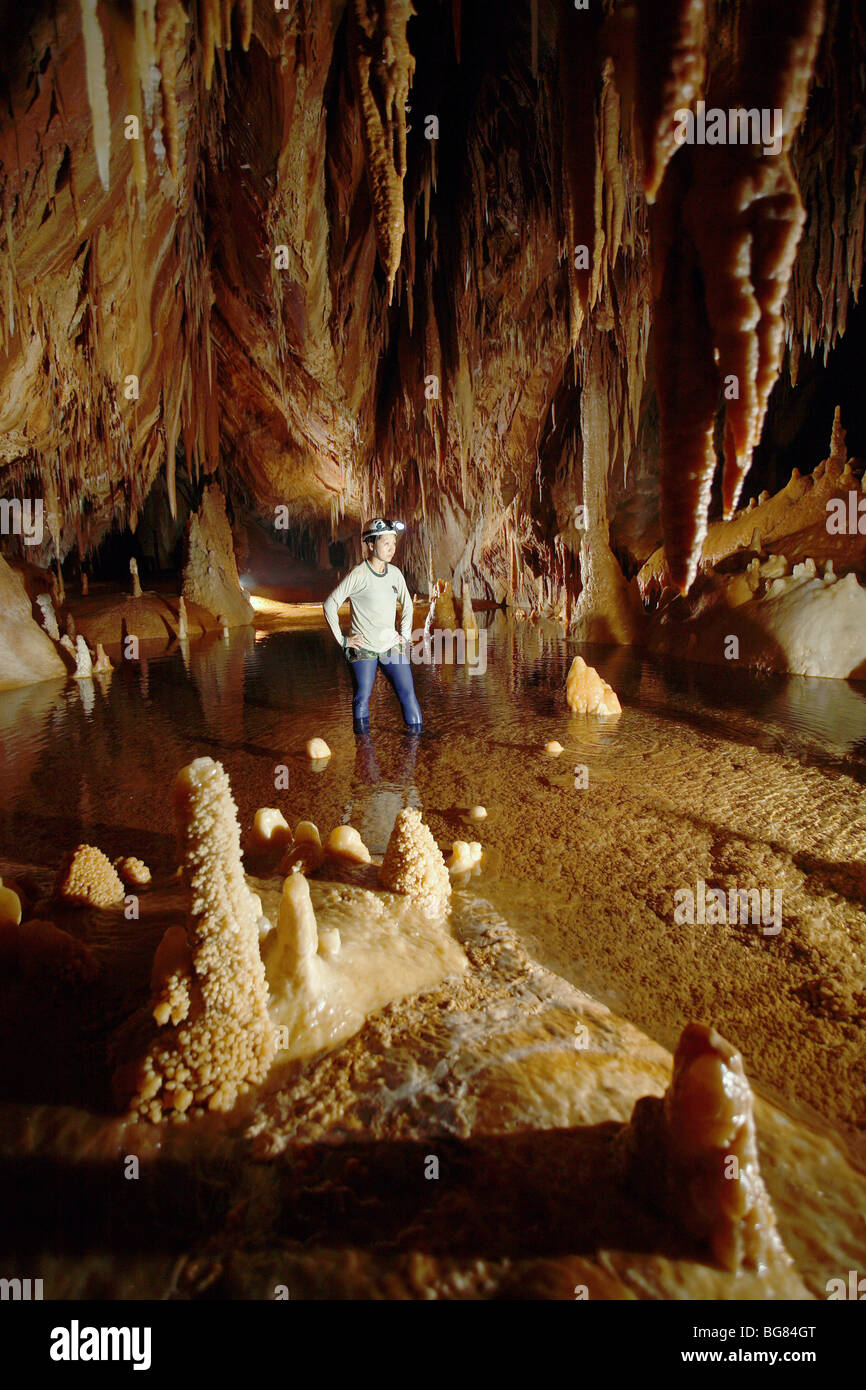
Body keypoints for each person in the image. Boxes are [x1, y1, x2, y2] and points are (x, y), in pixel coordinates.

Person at [323, 518, 423, 733]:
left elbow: (407, 605)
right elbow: (330, 604)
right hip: (363, 648)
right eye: (385, 543)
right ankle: (363, 753)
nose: (391, 548)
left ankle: (416, 746)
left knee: (408, 693)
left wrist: (404, 636)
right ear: (370, 545)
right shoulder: (359, 574)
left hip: (390, 646)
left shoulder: (395, 574)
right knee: (362, 697)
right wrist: (342, 640)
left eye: (394, 543)